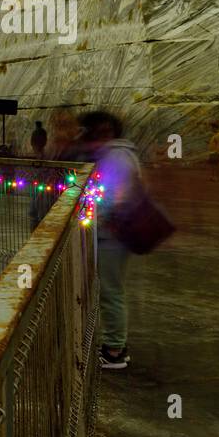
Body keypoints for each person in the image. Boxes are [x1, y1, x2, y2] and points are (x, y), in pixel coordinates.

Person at [77, 111, 141, 369]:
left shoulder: (116, 156)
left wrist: (100, 217)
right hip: (113, 233)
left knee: (111, 291)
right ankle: (116, 346)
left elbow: (117, 195)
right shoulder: (119, 154)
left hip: (113, 235)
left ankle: (115, 351)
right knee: (113, 289)